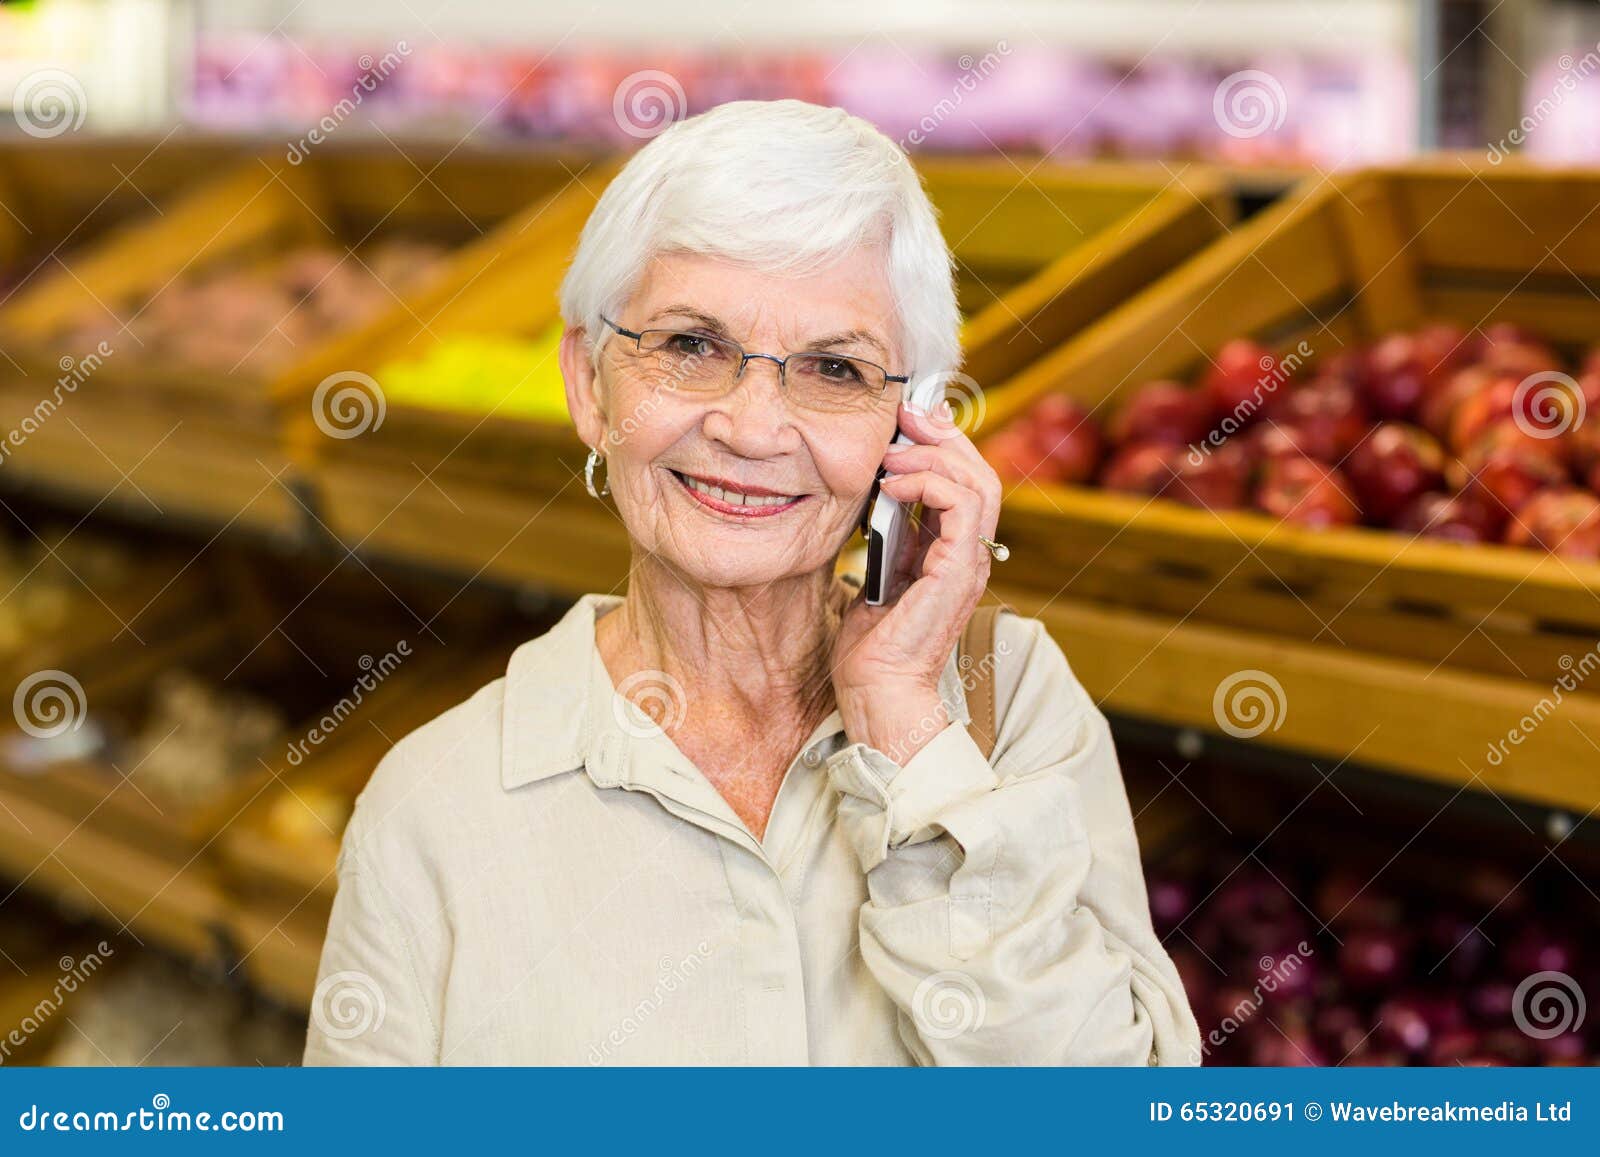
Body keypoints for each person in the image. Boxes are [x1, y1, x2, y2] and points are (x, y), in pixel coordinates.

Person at [304, 99, 1200, 1066]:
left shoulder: (1011, 704)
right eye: (691, 346)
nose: (753, 427)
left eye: (835, 369)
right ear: (587, 384)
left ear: (912, 431)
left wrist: (905, 727)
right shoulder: (438, 803)